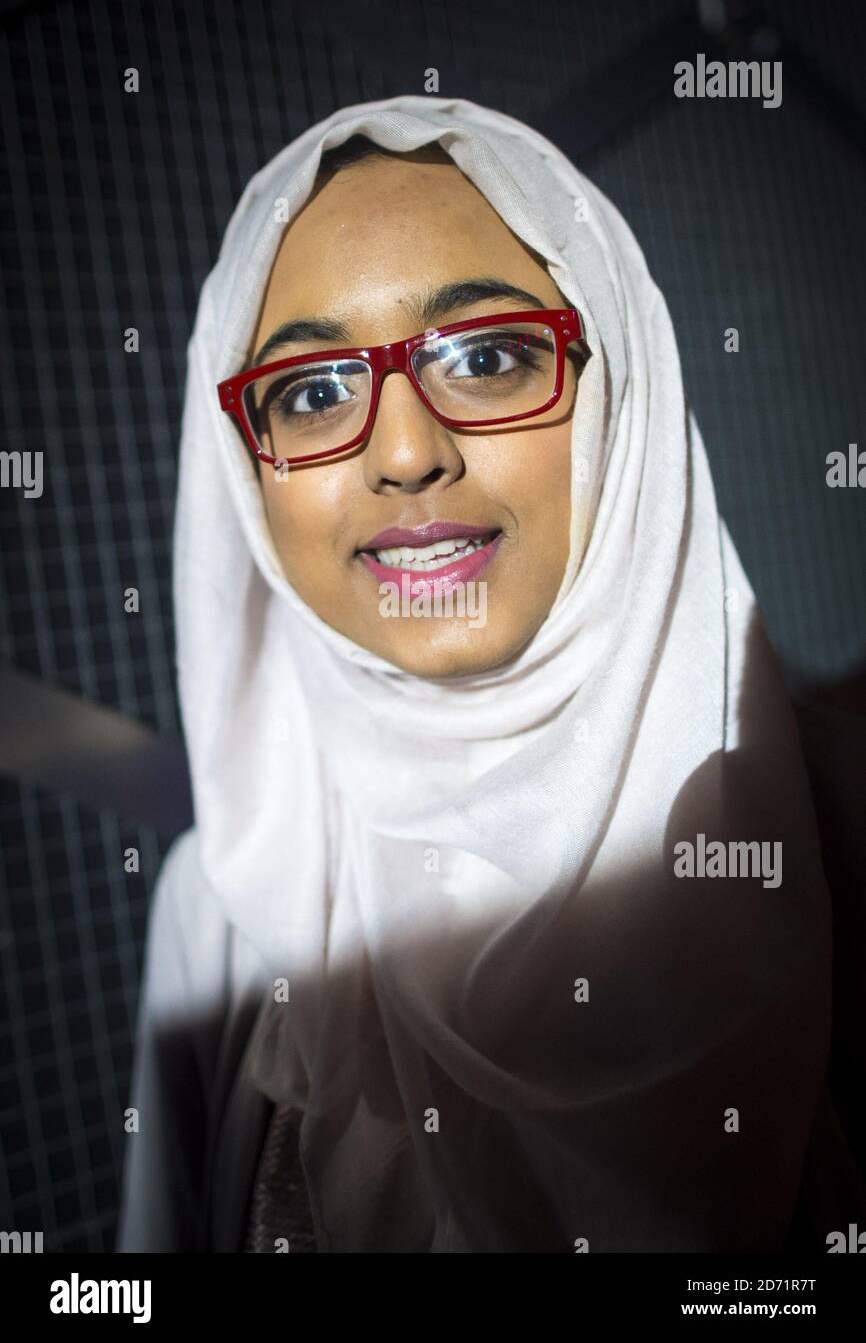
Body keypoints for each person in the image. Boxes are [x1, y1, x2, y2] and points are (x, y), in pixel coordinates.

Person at [116, 95, 848, 1253]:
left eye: (490, 357)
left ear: (618, 397)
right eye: (310, 393)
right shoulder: (225, 903)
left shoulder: (823, 833)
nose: (404, 452)